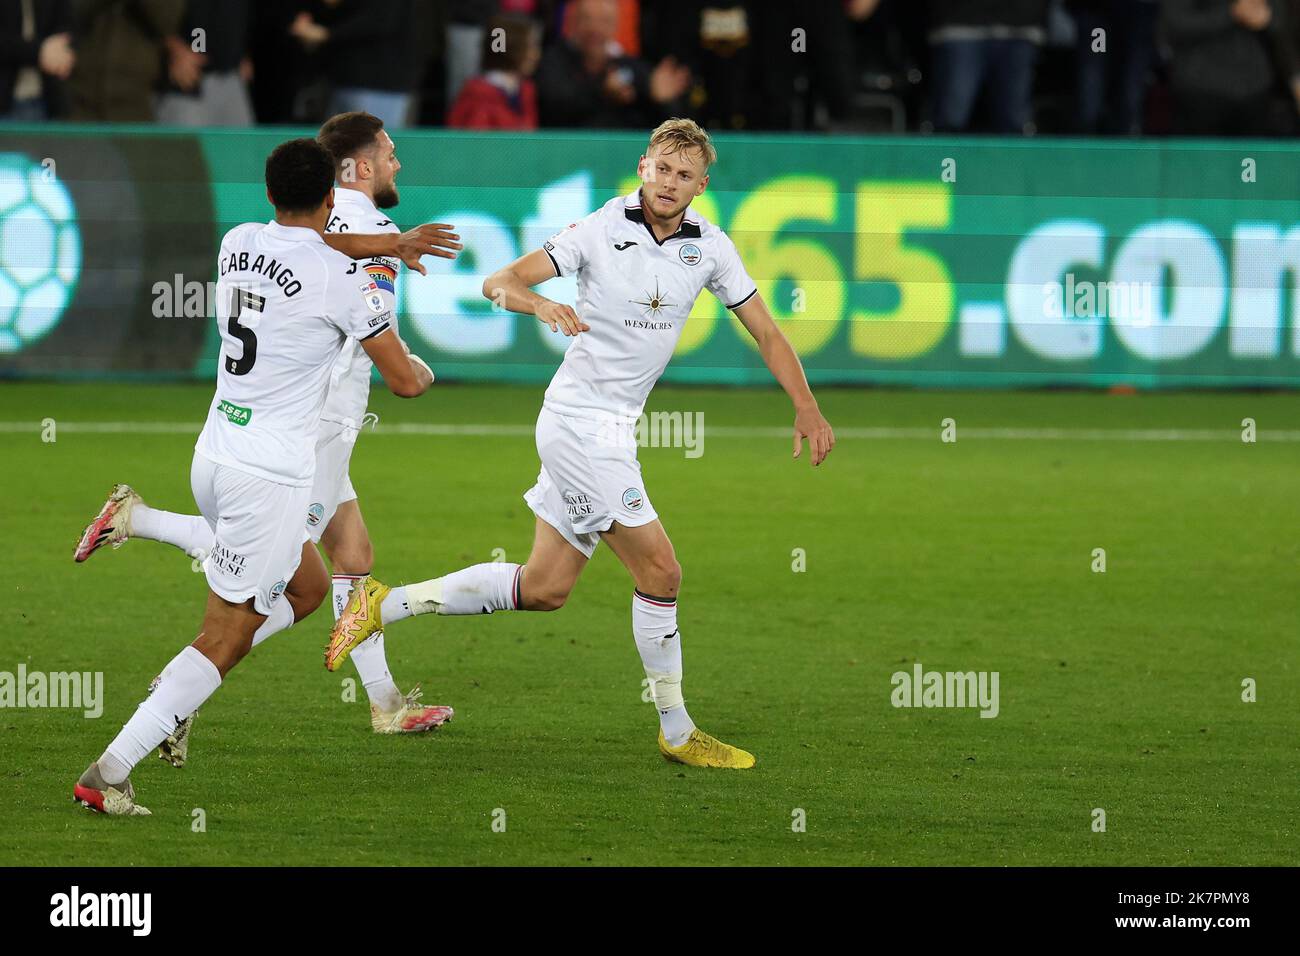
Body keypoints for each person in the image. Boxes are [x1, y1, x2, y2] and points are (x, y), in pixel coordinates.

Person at [325, 118, 836, 771]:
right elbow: (500, 281)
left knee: (544, 588)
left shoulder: (711, 247)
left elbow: (766, 331)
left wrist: (806, 406)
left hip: (612, 428)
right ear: (642, 167)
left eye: (684, 175)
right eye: (661, 169)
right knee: (661, 571)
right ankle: (678, 730)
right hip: (578, 424)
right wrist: (541, 306)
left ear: (700, 185)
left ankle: (382, 605)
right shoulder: (600, 228)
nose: (669, 183)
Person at [73, 113, 462, 756]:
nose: (397, 163)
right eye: (390, 154)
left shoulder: (240, 239)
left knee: (344, 562)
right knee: (253, 598)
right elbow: (399, 373)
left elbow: (306, 250)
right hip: (304, 437)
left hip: (223, 438)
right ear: (346, 179)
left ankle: (385, 701)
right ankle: (167, 701)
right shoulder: (360, 251)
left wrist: (386, 251)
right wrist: (418, 358)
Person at [535, 0, 689, 128]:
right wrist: (602, 93)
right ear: (572, 22)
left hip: (620, 157)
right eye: (586, 19)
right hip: (565, 154)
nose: (595, 28)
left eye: (604, 21)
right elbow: (554, 105)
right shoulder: (553, 61)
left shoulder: (631, 66)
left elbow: (668, 126)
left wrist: (662, 102)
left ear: (615, 26)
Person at [156, 0, 255, 127]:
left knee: (241, 144)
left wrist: (240, 50)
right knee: (189, 144)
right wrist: (173, 47)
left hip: (231, 77)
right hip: (185, 81)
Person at [448, 14, 540, 130]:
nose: (535, 55)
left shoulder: (524, 92)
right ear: (512, 48)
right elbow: (476, 144)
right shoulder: (478, 96)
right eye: (530, 46)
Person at [0, 0, 75, 121]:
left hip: (48, 101)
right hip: (5, 102)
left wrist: (60, 51)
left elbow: (67, 24)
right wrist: (39, 51)